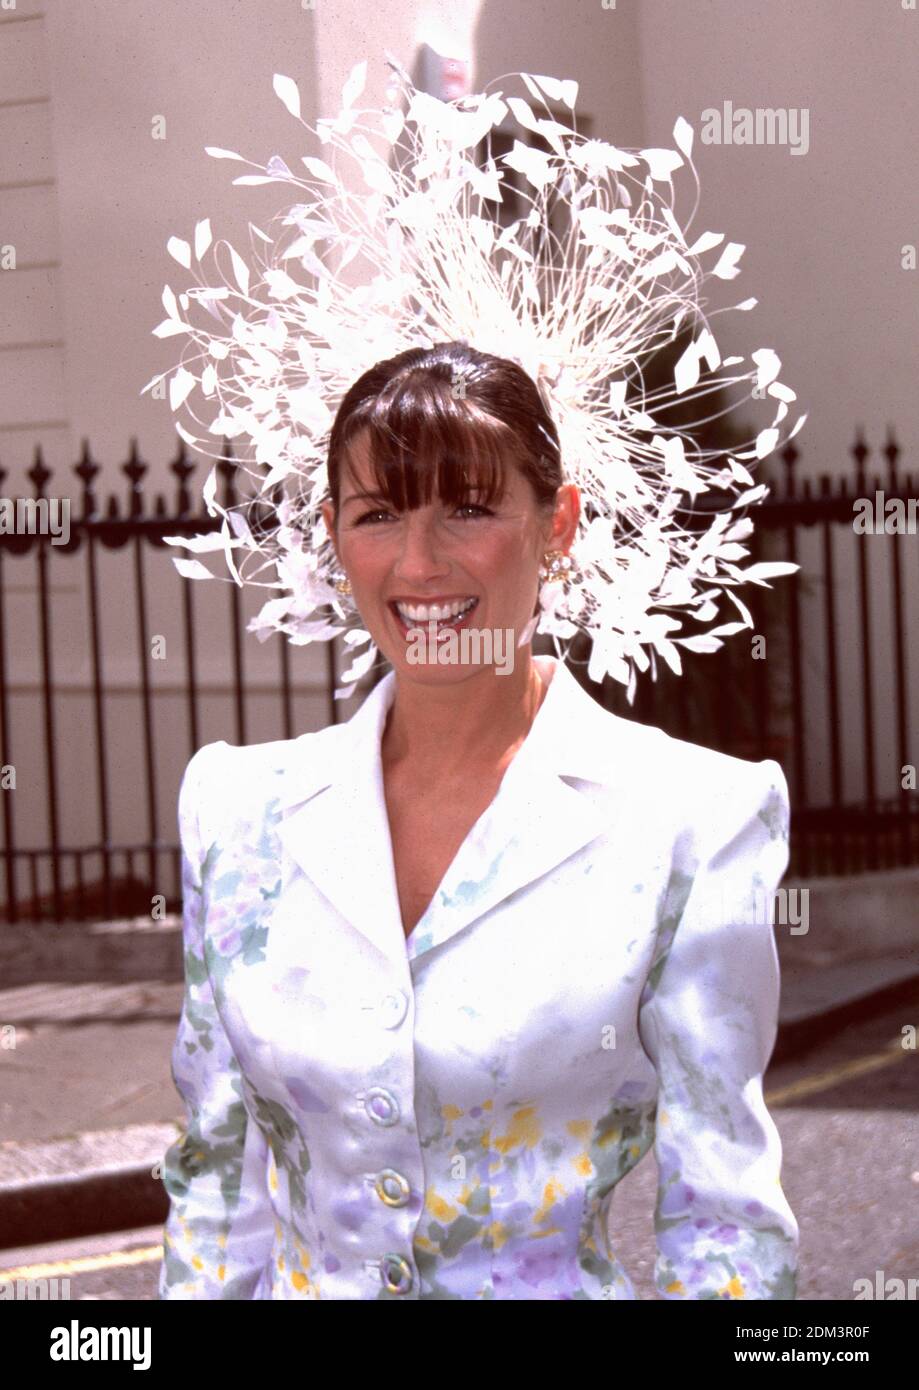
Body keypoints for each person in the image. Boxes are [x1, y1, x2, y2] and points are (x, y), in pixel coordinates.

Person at [158, 342, 798, 1299]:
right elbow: (215, 1185)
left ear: (557, 524)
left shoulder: (693, 821)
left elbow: (724, 1224)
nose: (418, 563)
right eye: (378, 514)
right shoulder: (235, 811)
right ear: (334, 534)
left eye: (467, 507)